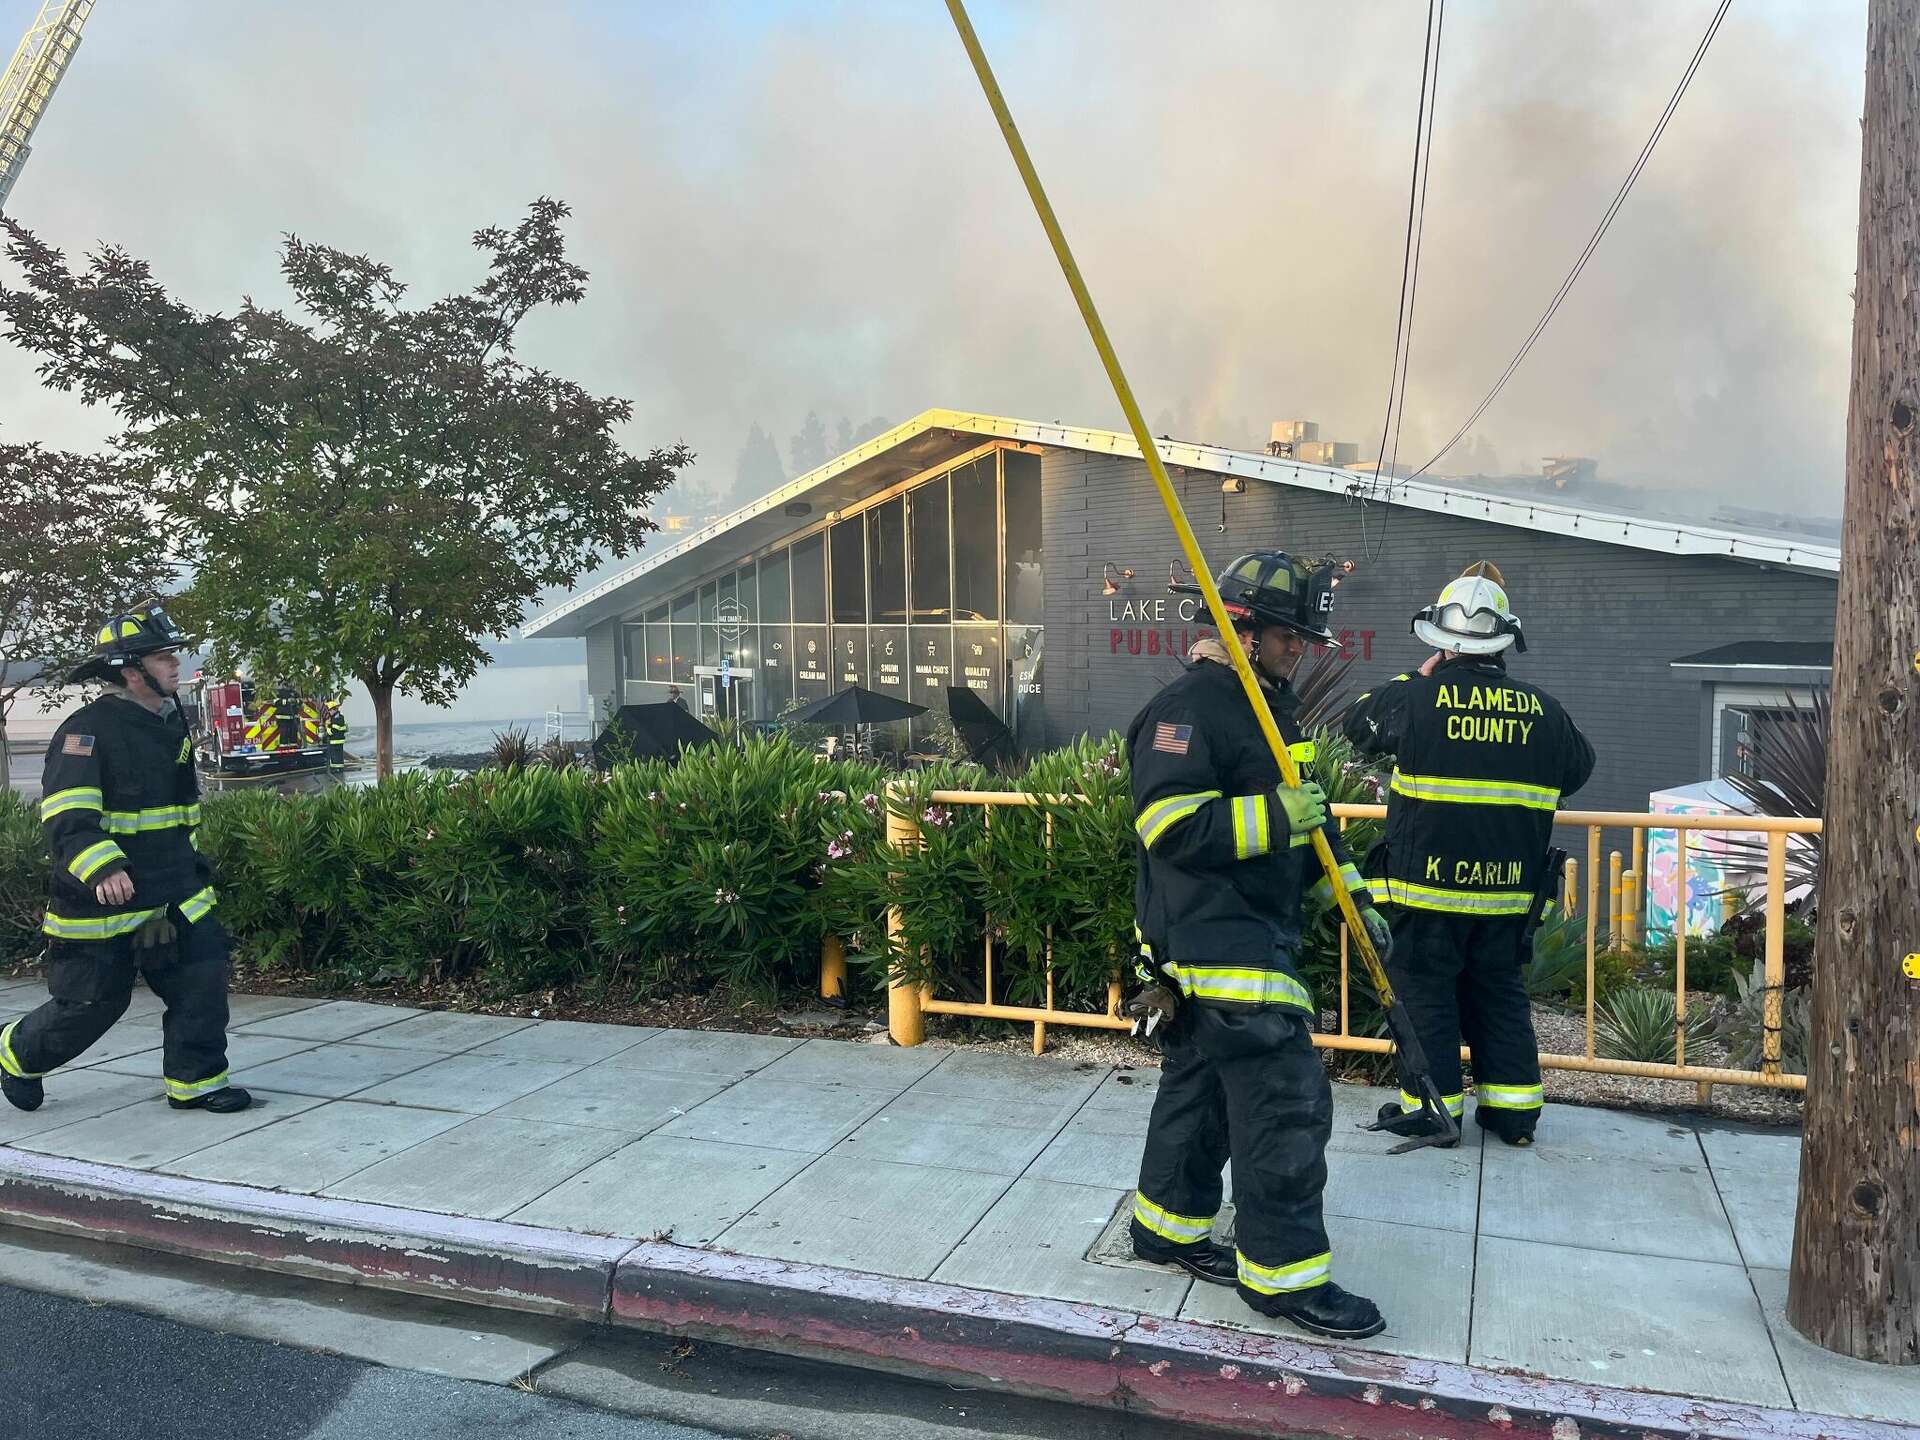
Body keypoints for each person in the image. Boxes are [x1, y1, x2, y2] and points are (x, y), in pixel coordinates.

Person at [1125, 551, 1388, 1340]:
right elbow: (1169, 827)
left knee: (1202, 1087)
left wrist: (1354, 898)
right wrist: (1278, 818)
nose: (1298, 649)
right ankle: (1283, 1279)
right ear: (1240, 627)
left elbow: (1305, 819)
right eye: (1285, 635)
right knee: (1286, 1103)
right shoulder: (1191, 710)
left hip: (1246, 930)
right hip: (1220, 941)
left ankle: (1165, 1229)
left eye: (1302, 638)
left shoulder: (1269, 709)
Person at [1342, 562, 1594, 1147]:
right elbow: (1577, 771)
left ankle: (1435, 1112)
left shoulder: (1417, 701)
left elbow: (1357, 723)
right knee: (1498, 994)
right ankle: (1514, 1116)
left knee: (1426, 994)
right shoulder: (1547, 713)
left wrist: (1416, 679)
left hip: (1424, 893)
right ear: (1506, 641)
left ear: (1441, 643)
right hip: (1506, 897)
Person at [0, 606, 252, 1116]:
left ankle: (196, 1083)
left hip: (176, 888)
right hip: (106, 897)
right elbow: (67, 812)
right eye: (164, 658)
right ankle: (16, 1053)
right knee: (93, 1004)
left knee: (200, 983)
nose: (176, 665)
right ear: (130, 670)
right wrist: (103, 868)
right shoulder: (87, 732)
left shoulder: (168, 719)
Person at [326, 694, 350, 773]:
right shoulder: (339, 717)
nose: (329, 712)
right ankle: (338, 768)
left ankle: (336, 769)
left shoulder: (336, 719)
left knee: (335, 756)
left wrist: (328, 727)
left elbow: (332, 731)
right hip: (339, 740)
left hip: (335, 740)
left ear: (334, 709)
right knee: (338, 756)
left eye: (329, 710)